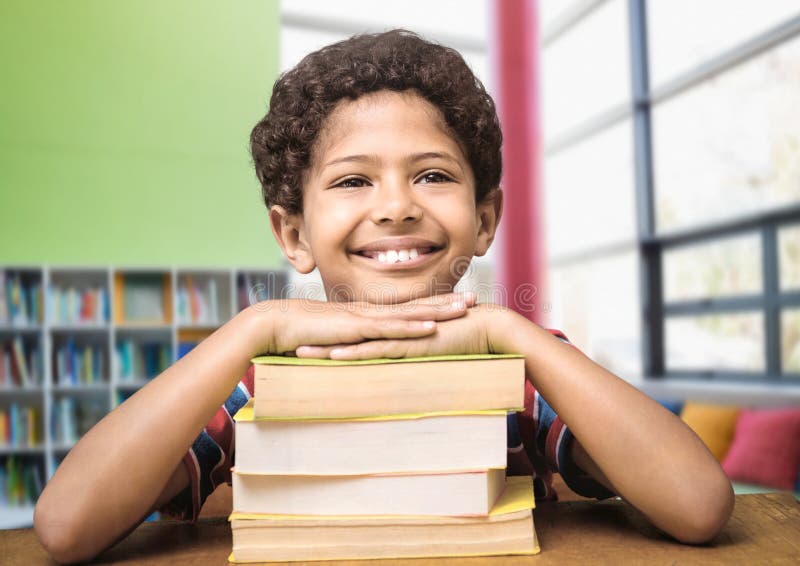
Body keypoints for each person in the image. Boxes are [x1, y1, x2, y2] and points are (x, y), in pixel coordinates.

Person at [33, 29, 734, 563]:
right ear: (293, 232)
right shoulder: (262, 379)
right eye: (351, 181)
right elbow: (65, 527)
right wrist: (257, 325)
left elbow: (700, 507)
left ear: (484, 220)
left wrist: (515, 334)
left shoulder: (518, 375)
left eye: (432, 175)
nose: (396, 207)